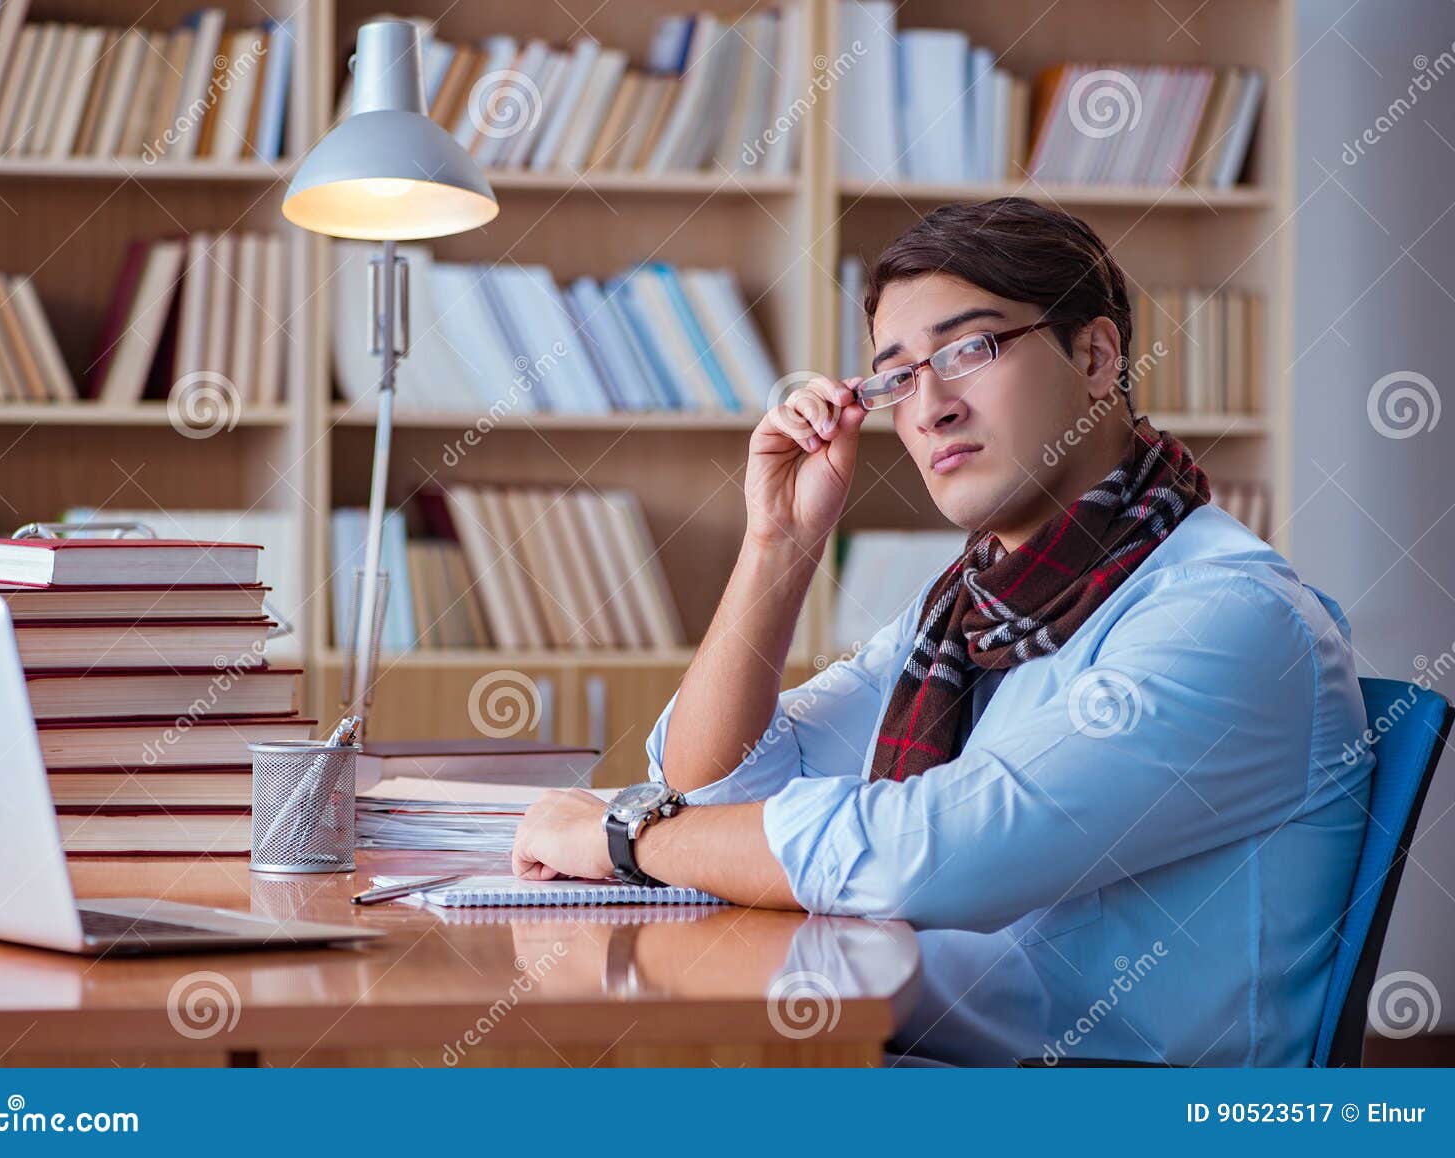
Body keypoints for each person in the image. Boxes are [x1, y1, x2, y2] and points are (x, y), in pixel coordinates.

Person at [512, 197, 1372, 1066]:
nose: (929, 408)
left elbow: (916, 855)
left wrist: (628, 838)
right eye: (897, 377)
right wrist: (779, 547)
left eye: (969, 350)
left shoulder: (1227, 618)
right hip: (920, 1064)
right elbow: (716, 791)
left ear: (1097, 355)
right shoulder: (973, 610)